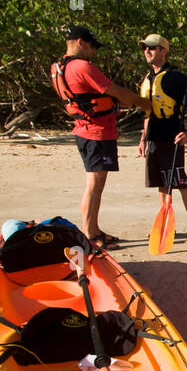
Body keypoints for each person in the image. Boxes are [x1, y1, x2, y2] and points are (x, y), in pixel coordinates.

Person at [49, 25, 149, 249]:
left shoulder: (59, 68)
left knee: (95, 184)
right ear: (80, 42)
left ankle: (93, 230)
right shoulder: (82, 67)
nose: (94, 51)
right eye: (92, 46)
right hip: (96, 133)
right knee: (94, 185)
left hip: (84, 130)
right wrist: (144, 103)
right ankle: (91, 235)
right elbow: (118, 92)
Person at [136, 32, 187, 243]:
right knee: (162, 184)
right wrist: (143, 138)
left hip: (172, 139)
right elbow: (148, 113)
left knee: (181, 183)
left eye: (152, 47)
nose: (147, 51)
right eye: (145, 48)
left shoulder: (177, 78)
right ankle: (166, 225)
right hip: (153, 139)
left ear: (163, 51)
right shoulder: (148, 78)